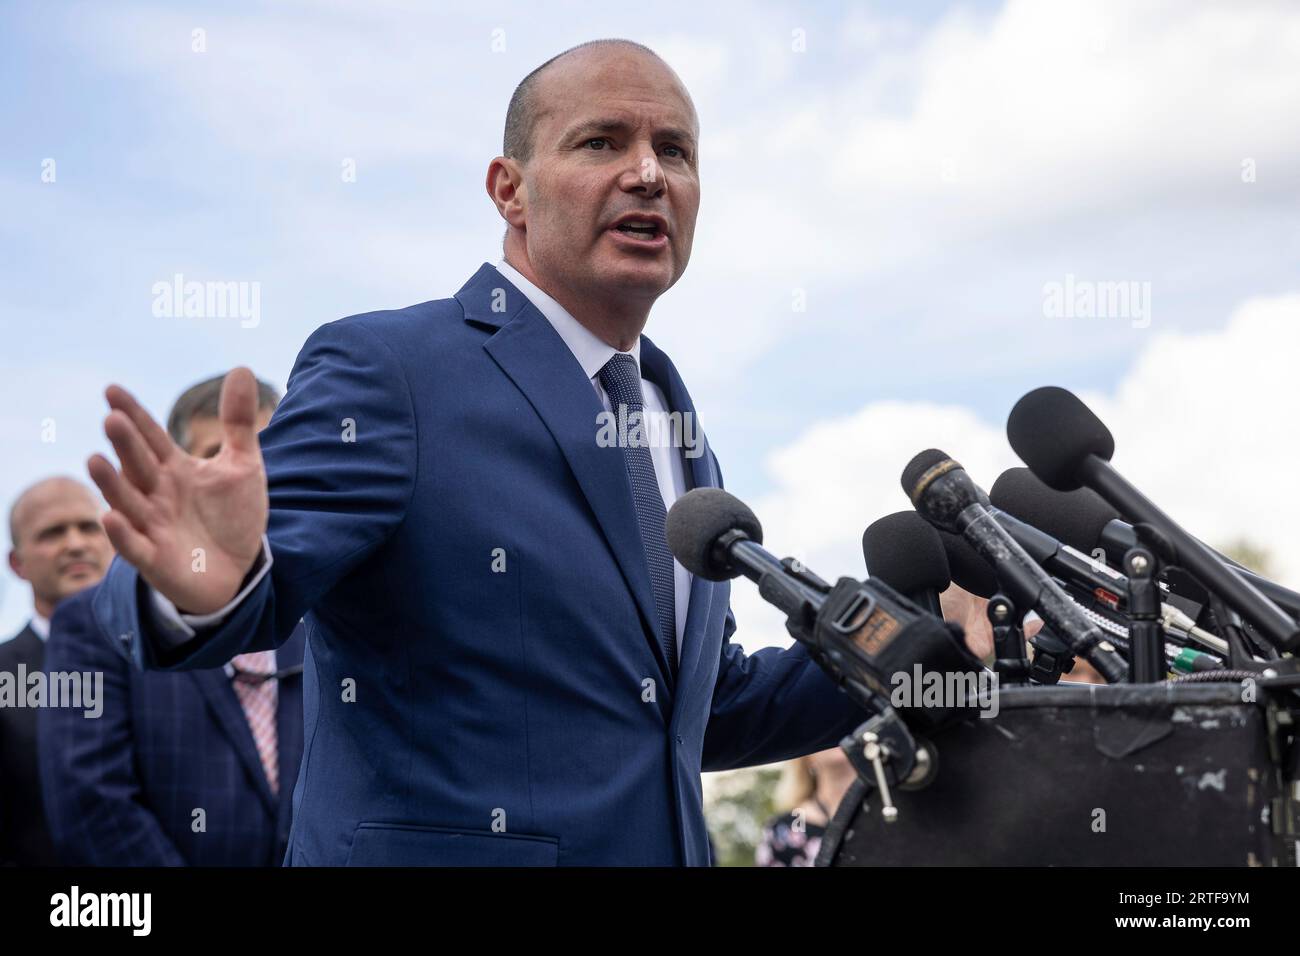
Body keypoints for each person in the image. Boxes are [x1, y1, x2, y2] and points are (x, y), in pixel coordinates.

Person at [85, 39, 993, 865]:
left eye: (675, 151)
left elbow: (694, 711)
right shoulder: (391, 371)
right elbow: (224, 583)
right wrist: (202, 575)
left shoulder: (674, 420)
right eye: (602, 142)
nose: (648, 174)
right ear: (508, 189)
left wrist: (928, 637)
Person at [40, 375, 305, 866]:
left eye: (261, 450)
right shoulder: (95, 623)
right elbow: (92, 804)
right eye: (215, 454)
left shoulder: (318, 624)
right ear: (176, 471)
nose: (241, 473)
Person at [0, 477, 113, 864]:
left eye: (88, 527)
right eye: (52, 533)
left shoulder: (174, 657)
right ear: (17, 563)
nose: (75, 544)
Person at [756, 747, 857, 867]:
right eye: (823, 733)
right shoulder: (784, 831)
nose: (836, 741)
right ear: (806, 758)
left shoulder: (884, 804)